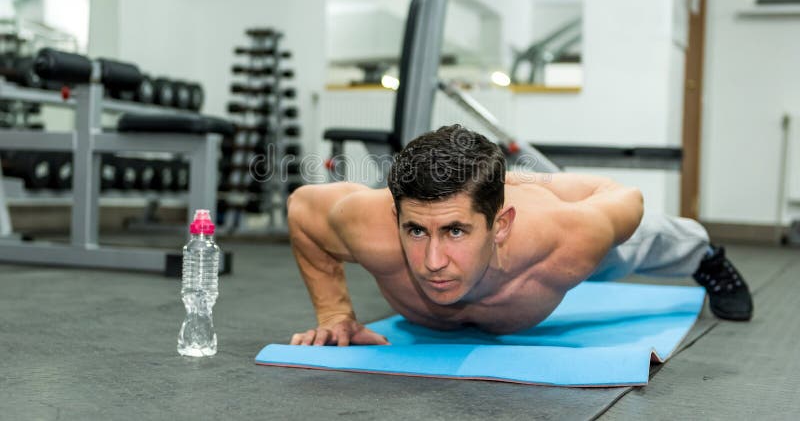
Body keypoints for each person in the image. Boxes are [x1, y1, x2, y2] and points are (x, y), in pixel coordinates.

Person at [287, 125, 753, 347]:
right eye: (415, 230)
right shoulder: (368, 223)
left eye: (454, 231)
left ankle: (705, 255)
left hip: (547, 219)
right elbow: (303, 209)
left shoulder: (567, 233)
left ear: (500, 225)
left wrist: (539, 186)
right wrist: (334, 312)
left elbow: (626, 197)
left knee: (640, 241)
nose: (431, 261)